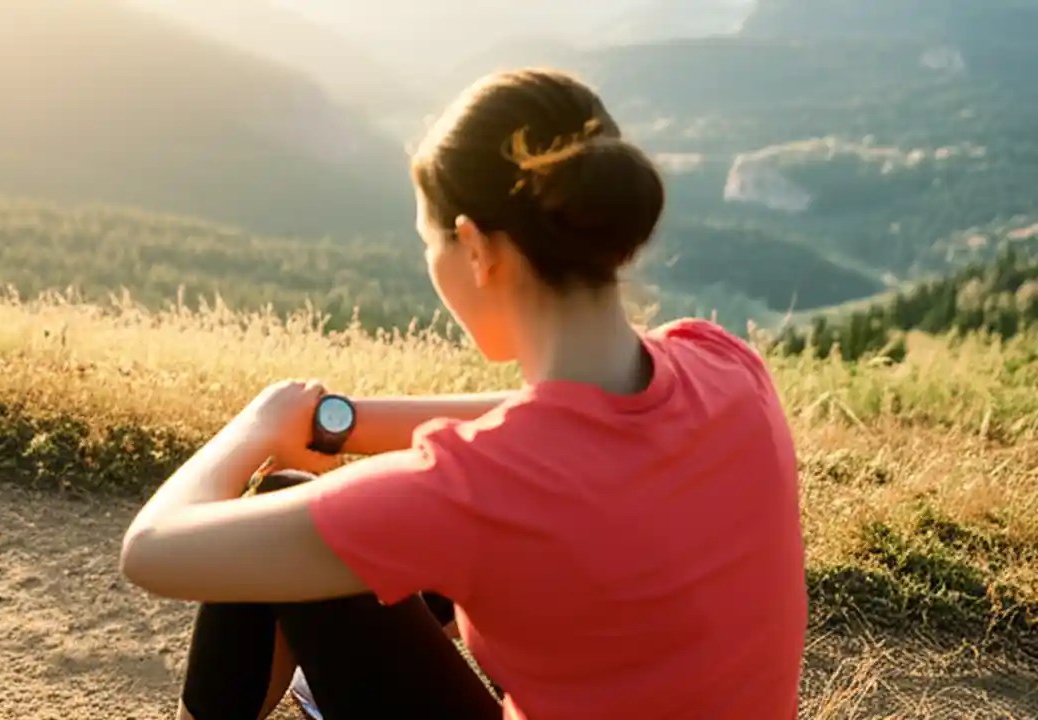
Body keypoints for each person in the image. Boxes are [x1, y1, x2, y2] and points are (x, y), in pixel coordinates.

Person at [120, 68, 808, 720]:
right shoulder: (725, 364)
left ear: (475, 248)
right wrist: (341, 421)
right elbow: (567, 425)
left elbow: (151, 550)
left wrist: (256, 424)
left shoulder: (473, 490)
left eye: (429, 241)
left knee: (280, 499)